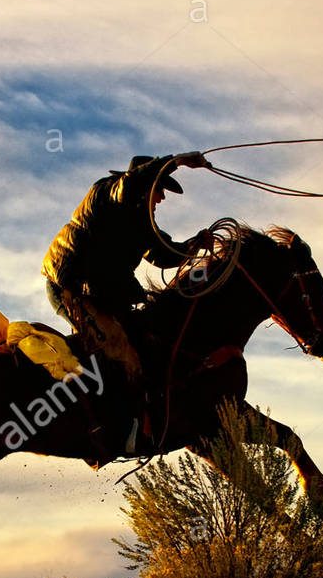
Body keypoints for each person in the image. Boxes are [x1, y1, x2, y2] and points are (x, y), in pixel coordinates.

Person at [42, 151, 214, 459]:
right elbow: (130, 185)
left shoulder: (141, 223)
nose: (161, 198)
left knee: (144, 342)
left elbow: (162, 254)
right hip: (70, 286)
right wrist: (179, 161)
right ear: (147, 184)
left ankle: (132, 421)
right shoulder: (107, 191)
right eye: (160, 189)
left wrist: (193, 245)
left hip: (100, 294)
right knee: (120, 350)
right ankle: (105, 429)